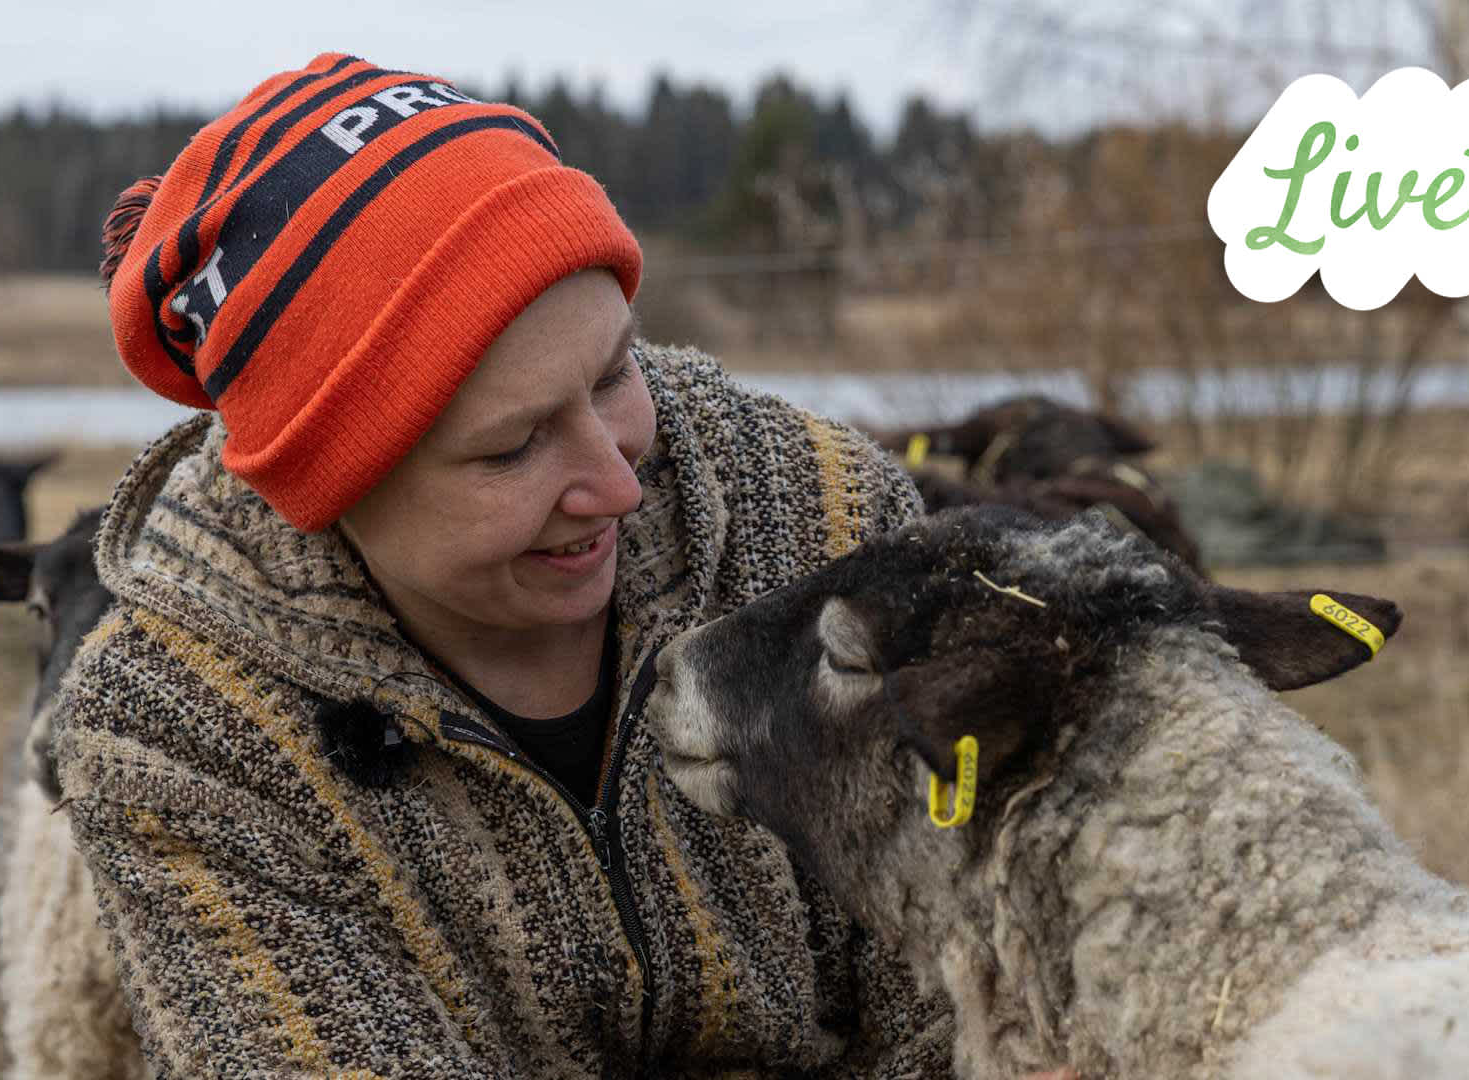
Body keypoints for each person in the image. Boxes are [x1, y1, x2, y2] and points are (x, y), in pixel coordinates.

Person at [55, 53, 954, 1077]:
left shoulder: (819, 521)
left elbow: (970, 995)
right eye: (513, 446)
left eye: (616, 372)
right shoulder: (179, 730)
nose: (619, 486)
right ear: (330, 488)